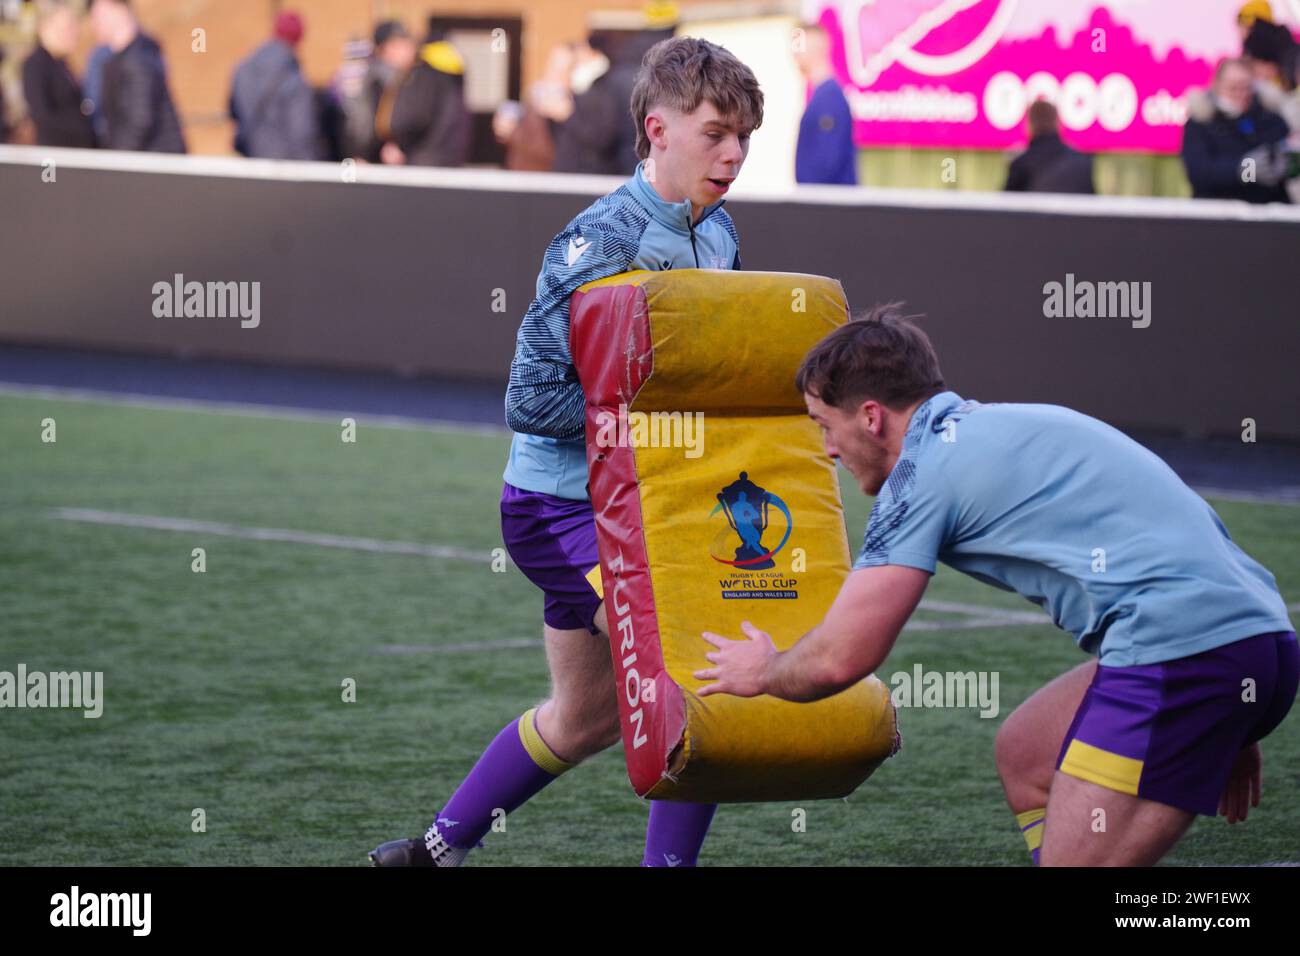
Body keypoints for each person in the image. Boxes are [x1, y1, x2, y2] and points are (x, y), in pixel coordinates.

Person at [695, 305, 1297, 867]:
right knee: (1028, 753)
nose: (828, 449)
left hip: (1185, 658)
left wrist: (764, 671)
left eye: (826, 425)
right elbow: (1187, 536)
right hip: (1260, 643)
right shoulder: (1016, 421)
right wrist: (1239, 712)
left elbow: (839, 661)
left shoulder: (919, 476)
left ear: (871, 417)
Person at [369, 36, 763, 867]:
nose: (734, 153)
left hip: (647, 510)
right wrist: (665, 422)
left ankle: (432, 853)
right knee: (696, 673)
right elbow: (531, 401)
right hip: (559, 510)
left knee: (581, 719)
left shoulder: (721, 235)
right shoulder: (601, 242)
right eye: (717, 132)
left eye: (746, 136)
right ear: (657, 129)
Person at [1182, 58, 1292, 203]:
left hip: (1267, 210)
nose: (1242, 94)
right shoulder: (1202, 122)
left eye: (1246, 88)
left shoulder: (1269, 117)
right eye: (1234, 88)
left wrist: (1287, 165)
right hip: (1217, 211)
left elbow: (1282, 151)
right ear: (1217, 86)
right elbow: (1199, 172)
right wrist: (1246, 170)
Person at [89, 0, 185, 153]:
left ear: (120, 11)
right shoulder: (117, 58)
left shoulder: (139, 57)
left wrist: (115, 160)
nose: (94, 23)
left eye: (99, 15)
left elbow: (140, 120)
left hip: (155, 163)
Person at [229, 11, 322, 160]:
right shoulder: (294, 79)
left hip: (249, 159)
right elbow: (302, 133)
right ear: (297, 39)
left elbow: (233, 112)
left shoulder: (242, 69)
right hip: (284, 168)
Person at [378, 24, 470, 167]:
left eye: (390, 50)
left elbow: (415, 117)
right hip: (449, 157)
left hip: (424, 160)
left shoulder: (422, 73)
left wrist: (399, 144)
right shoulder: (443, 67)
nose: (389, 58)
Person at [22, 0, 97, 148]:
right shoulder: (36, 65)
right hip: (56, 157)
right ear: (44, 28)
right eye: (66, 28)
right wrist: (85, 131)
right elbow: (43, 116)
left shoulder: (61, 64)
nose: (73, 33)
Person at [793, 22, 857, 185]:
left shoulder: (829, 98)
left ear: (814, 47)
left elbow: (826, 163)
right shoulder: (823, 96)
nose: (794, 54)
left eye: (798, 45)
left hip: (830, 205)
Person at [1004, 100, 1094, 194]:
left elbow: (1005, 204)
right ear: (1057, 123)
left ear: (1030, 124)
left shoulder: (1021, 164)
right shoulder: (1083, 163)